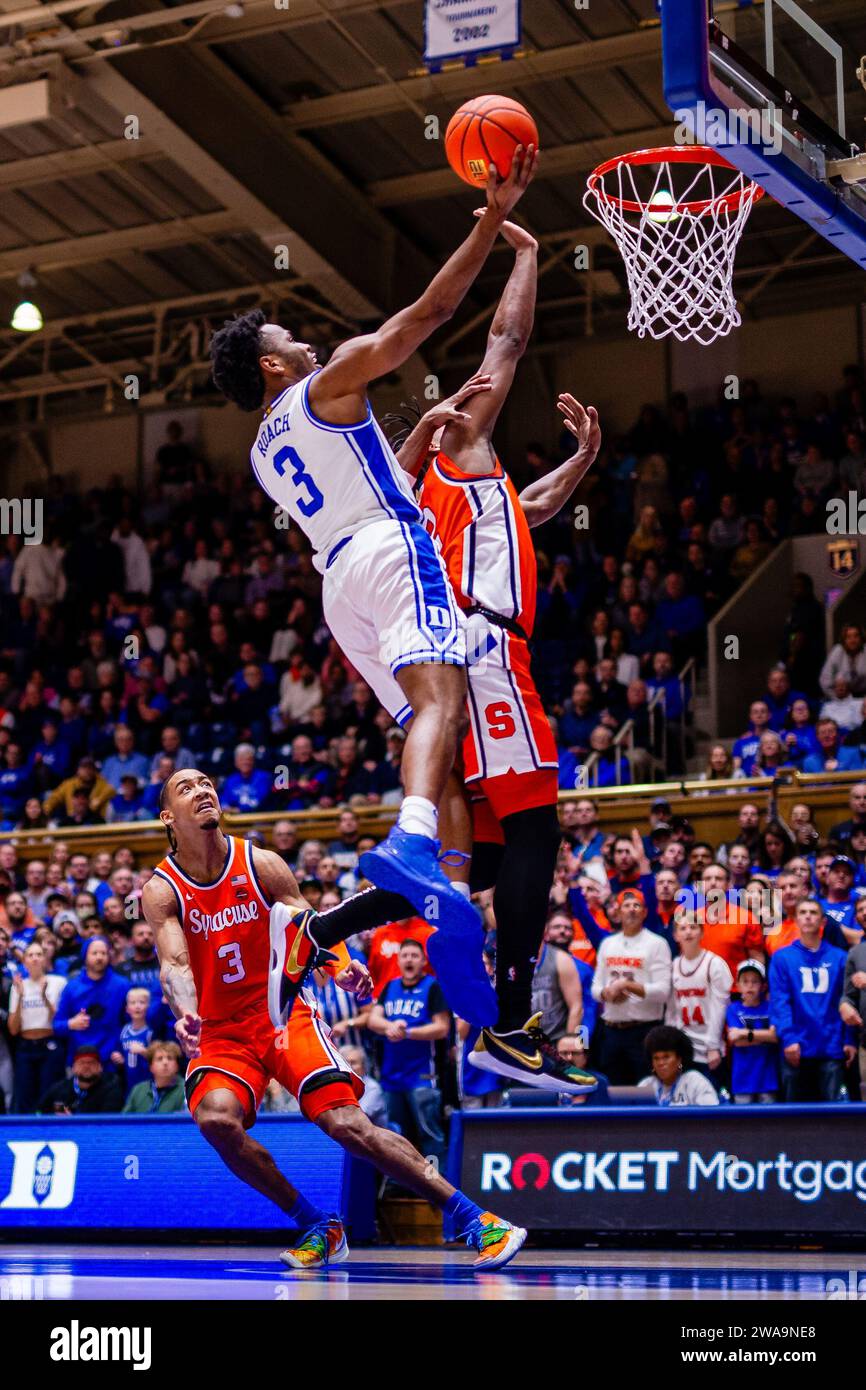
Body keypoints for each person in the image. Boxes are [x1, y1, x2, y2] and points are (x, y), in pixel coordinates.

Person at [209, 149, 539, 1028]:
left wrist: (419, 437)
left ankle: (451, 896)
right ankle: (415, 839)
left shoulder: (261, 449)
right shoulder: (330, 379)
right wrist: (486, 221)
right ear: (274, 367)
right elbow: (430, 312)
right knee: (448, 708)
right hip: (394, 553)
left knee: (439, 733)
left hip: (340, 585)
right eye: (285, 337)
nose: (302, 336)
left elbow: (358, 489)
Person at [145, 766, 526, 1271]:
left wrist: (343, 966)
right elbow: (174, 964)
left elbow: (310, 923)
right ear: (169, 816)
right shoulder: (161, 889)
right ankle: (317, 1224)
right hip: (219, 1030)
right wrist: (187, 1013)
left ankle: (477, 1219)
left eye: (207, 783)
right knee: (216, 1119)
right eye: (186, 788)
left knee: (348, 1125)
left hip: (283, 1014)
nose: (203, 790)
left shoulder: (260, 862)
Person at [387, 216, 601, 1091]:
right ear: (445, 433)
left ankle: (330, 935)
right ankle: (511, 1025)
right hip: (485, 652)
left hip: (464, 654)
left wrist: (583, 458)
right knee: (537, 828)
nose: (482, 409)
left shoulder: (470, 494)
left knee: (490, 846)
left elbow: (534, 510)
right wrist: (527, 253)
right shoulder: (457, 449)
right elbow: (506, 341)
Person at [367, 939, 451, 1170]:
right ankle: (397, 1184)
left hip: (422, 1076)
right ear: (399, 960)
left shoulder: (433, 986)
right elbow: (373, 1019)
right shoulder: (390, 986)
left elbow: (442, 1027)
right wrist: (389, 1027)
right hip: (391, 1076)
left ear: (424, 961)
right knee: (395, 1135)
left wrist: (407, 1032)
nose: (409, 960)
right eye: (405, 955)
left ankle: (438, 1184)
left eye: (415, 955)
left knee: (429, 1134)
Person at [769, 898, 856, 1102]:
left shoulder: (840, 957)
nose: (808, 916)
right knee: (794, 1119)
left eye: (813, 913)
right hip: (795, 1047)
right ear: (796, 920)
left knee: (832, 1118)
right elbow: (780, 1002)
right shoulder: (782, 958)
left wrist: (849, 1039)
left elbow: (848, 1001)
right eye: (803, 912)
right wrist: (788, 1039)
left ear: (823, 921)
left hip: (831, 1046)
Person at [591, 887, 672, 1085]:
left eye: (637, 905)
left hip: (644, 1031)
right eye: (627, 906)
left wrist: (627, 985)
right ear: (618, 912)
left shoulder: (657, 943)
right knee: (613, 1090)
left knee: (645, 1089)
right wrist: (606, 993)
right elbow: (594, 989)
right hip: (611, 1030)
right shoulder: (608, 944)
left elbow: (663, 992)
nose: (632, 909)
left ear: (645, 912)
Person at [665, 912, 732, 1085]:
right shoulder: (673, 966)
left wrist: (713, 1046)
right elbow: (671, 1011)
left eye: (693, 927)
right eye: (683, 928)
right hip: (683, 1047)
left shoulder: (714, 964)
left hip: (710, 1048)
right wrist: (670, 1044)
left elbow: (720, 1008)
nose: (688, 932)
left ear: (702, 933)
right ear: (675, 935)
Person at [51, 935, 128, 1068]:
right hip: (79, 1058)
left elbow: (130, 1022)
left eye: (103, 953)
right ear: (85, 956)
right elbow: (57, 1025)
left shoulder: (122, 985)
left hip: (111, 1059)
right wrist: (70, 1024)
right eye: (94, 953)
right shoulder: (72, 987)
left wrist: (120, 1049)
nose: (99, 957)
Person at [8, 940, 66, 1112]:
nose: (34, 958)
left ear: (45, 958)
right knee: (25, 1097)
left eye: (39, 954)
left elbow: (59, 1020)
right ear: (24, 961)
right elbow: (13, 1029)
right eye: (30, 955)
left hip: (50, 1043)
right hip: (25, 1046)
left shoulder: (58, 982)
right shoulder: (18, 985)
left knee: (50, 1095)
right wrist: (19, 997)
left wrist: (44, 996)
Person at [726, 961, 779, 1104]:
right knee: (742, 1123)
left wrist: (744, 1033)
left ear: (763, 986)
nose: (750, 985)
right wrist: (765, 1036)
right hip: (742, 1078)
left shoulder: (770, 1008)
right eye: (745, 981)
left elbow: (775, 1037)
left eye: (755, 981)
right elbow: (736, 1041)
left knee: (769, 1121)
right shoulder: (733, 1009)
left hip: (767, 1077)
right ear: (737, 985)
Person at [638, 1025, 720, 1106]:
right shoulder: (646, 1085)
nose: (661, 1063)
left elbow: (711, 1115)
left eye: (666, 1057)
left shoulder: (694, 1081)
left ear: (679, 1059)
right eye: (656, 1058)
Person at [37, 1044, 124, 1115]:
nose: (86, 1066)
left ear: (100, 1067)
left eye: (91, 1063)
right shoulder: (59, 1089)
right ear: (73, 1068)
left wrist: (73, 1121)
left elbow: (108, 1123)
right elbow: (38, 1112)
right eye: (81, 1063)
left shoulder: (111, 1090)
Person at [123, 1041, 186, 1114]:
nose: (165, 1062)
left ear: (177, 1066)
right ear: (151, 1067)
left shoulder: (186, 1090)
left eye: (170, 1058)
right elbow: (124, 1121)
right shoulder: (138, 1090)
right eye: (159, 1059)